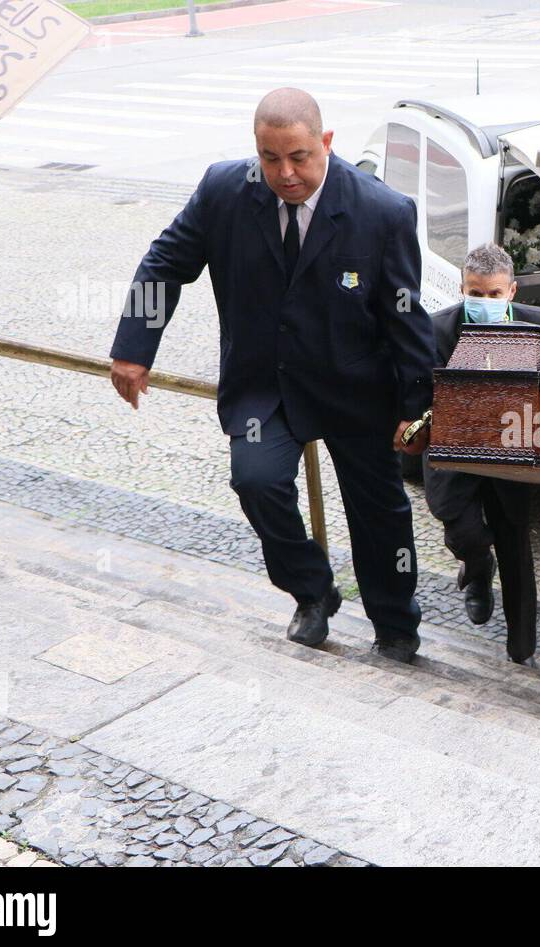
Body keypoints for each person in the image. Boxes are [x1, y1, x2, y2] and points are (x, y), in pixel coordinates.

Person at [109, 88, 434, 663]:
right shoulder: (222, 191)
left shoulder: (383, 212)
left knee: (379, 512)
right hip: (265, 384)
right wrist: (135, 348)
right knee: (255, 481)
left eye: (299, 157)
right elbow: (165, 263)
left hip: (357, 389)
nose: (285, 173)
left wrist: (417, 407)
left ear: (326, 143)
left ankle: (394, 622)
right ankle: (312, 593)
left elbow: (405, 316)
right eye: (269, 157)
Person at [423, 244, 540, 665]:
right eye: (475, 293)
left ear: (512, 291)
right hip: (453, 448)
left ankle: (522, 648)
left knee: (515, 541)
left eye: (494, 295)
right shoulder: (436, 330)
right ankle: (477, 566)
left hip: (510, 453)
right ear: (462, 288)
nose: (485, 302)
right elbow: (422, 394)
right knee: (459, 526)